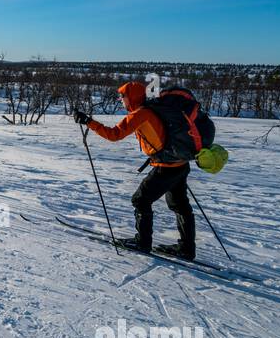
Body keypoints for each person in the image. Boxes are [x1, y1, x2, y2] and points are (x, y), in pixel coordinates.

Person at [73, 81, 196, 260]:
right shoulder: (152, 108)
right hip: (180, 164)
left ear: (130, 97)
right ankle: (187, 248)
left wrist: (88, 121)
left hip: (166, 168)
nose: (121, 100)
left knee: (140, 200)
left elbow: (114, 134)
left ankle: (142, 242)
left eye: (122, 97)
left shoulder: (140, 114)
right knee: (180, 205)